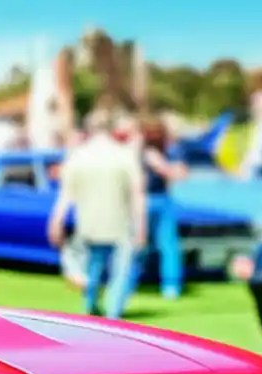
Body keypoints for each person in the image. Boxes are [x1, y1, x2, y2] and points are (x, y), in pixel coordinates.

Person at [48, 109, 146, 319]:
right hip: (120, 223)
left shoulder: (78, 156)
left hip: (89, 224)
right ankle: (113, 314)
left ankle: (91, 305)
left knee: (94, 266)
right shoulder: (124, 155)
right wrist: (141, 226)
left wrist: (56, 222)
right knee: (121, 272)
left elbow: (66, 195)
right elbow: (137, 195)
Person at [137, 115, 189, 298]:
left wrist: (165, 166)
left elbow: (180, 173)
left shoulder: (169, 151)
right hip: (145, 199)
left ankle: (171, 285)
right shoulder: (141, 151)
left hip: (159, 198)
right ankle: (133, 280)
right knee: (140, 243)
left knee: (167, 244)